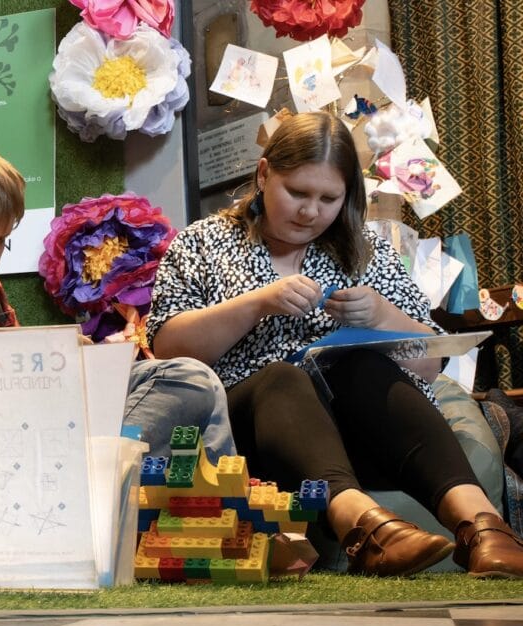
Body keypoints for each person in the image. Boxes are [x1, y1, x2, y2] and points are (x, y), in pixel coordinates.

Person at [148, 111, 523, 578]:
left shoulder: (365, 250)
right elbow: (169, 349)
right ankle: (366, 529)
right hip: (254, 439)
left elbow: (430, 367)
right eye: (297, 192)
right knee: (281, 378)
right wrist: (255, 304)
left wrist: (382, 316)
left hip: (367, 437)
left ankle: (484, 528)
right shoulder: (202, 243)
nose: (311, 211)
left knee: (360, 368)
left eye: (329, 198)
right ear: (264, 175)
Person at [0, 141, 236, 478]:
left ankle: (225, 500)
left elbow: (23, 372)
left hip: (31, 416)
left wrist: (61, 357)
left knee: (190, 377)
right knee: (190, 383)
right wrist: (13, 354)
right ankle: (83, 481)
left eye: (1, 242)